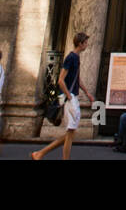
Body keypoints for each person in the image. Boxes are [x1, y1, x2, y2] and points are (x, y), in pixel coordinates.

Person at [33, 32, 94, 161]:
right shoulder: (71, 57)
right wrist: (69, 96)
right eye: (86, 42)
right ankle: (47, 155)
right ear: (80, 43)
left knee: (70, 134)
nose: (87, 45)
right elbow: (61, 80)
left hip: (73, 97)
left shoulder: (76, 58)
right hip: (70, 98)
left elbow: (77, 78)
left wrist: (87, 93)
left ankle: (41, 153)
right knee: (70, 132)